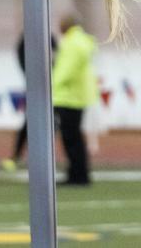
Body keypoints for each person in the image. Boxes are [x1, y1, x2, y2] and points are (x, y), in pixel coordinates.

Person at [52, 14, 97, 186]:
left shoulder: (72, 44)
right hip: (77, 96)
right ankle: (79, 173)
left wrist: (52, 87)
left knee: (71, 139)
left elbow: (65, 71)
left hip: (68, 97)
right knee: (75, 138)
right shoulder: (82, 41)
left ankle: (78, 175)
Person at [3, 32, 56, 172]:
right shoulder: (27, 39)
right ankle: (18, 155)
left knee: (51, 124)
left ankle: (45, 158)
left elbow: (57, 58)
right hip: (37, 88)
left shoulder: (50, 38)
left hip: (55, 90)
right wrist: (30, 74)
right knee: (30, 122)